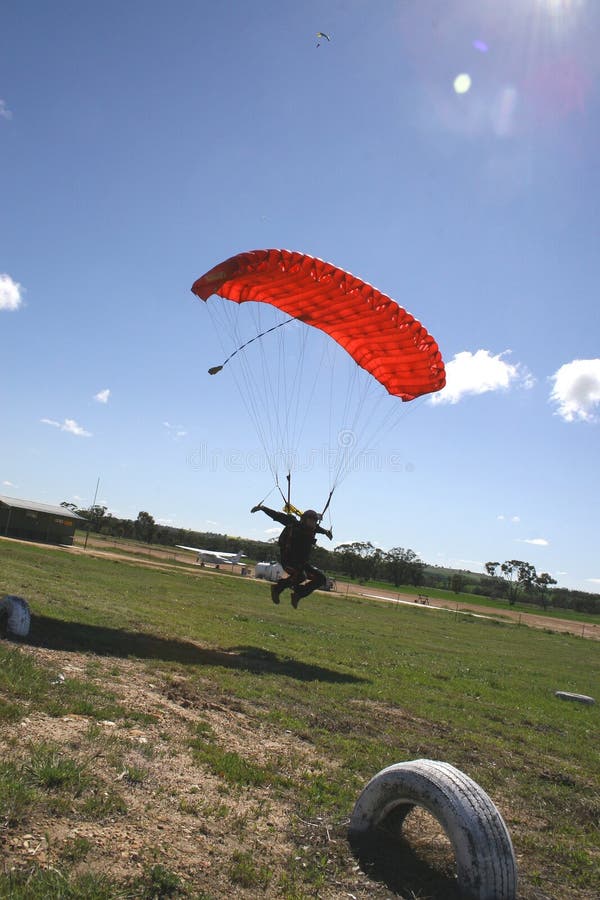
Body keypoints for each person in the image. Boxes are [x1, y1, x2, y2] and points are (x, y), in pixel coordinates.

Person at [251, 504, 333, 608]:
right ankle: (277, 589)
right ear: (304, 519)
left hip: (302, 563)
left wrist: (327, 532)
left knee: (321, 579)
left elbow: (321, 530)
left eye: (315, 521)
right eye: (311, 520)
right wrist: (262, 508)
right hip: (289, 560)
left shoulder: (313, 529)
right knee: (300, 576)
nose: (313, 523)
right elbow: (277, 516)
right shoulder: (293, 524)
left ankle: (298, 594)